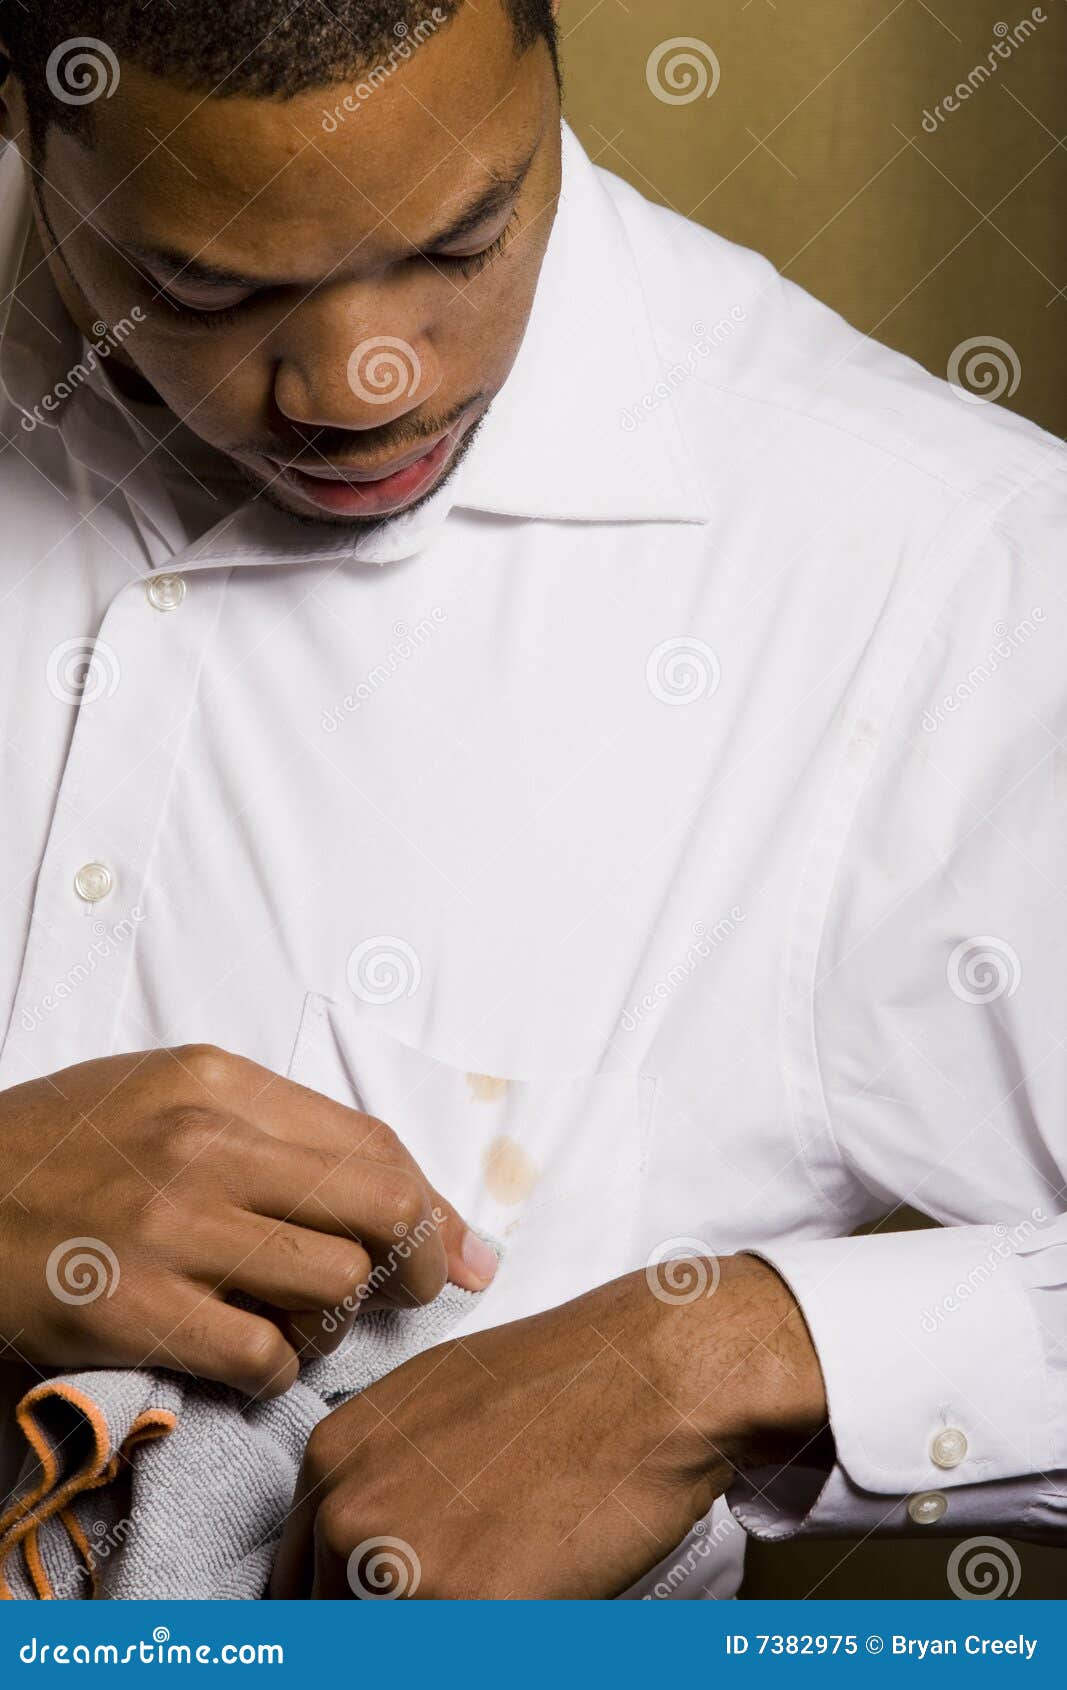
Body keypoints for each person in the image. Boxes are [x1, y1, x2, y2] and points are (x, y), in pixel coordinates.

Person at [0, 0, 1062, 1601]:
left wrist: (730, 1345)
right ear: (25, 117)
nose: (365, 381)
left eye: (464, 240)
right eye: (211, 285)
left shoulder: (940, 573)